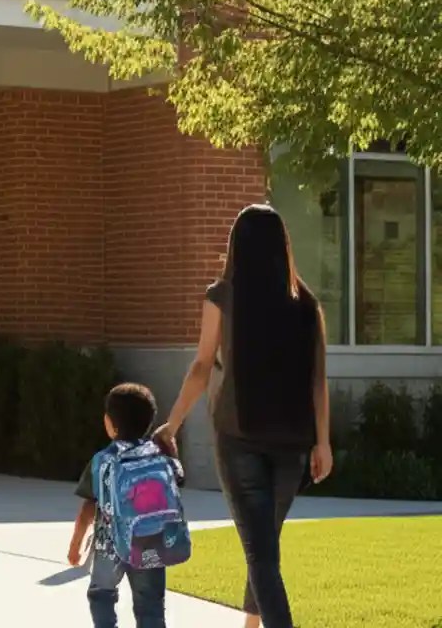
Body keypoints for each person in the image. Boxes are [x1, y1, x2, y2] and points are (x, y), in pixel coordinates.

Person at [153, 204, 333, 628]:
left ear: (237, 246)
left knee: (261, 552)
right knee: (265, 544)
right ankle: (250, 625)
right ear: (282, 246)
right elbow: (318, 381)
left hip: (238, 437)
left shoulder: (222, 296)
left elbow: (201, 367)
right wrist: (322, 441)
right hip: (293, 444)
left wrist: (172, 423)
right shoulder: (307, 305)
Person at [70, 383, 184, 628]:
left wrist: (75, 545)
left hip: (109, 546)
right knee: (151, 606)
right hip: (153, 542)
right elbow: (175, 483)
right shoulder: (158, 455)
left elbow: (88, 508)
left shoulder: (103, 461)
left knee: (101, 595)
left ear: (110, 424)